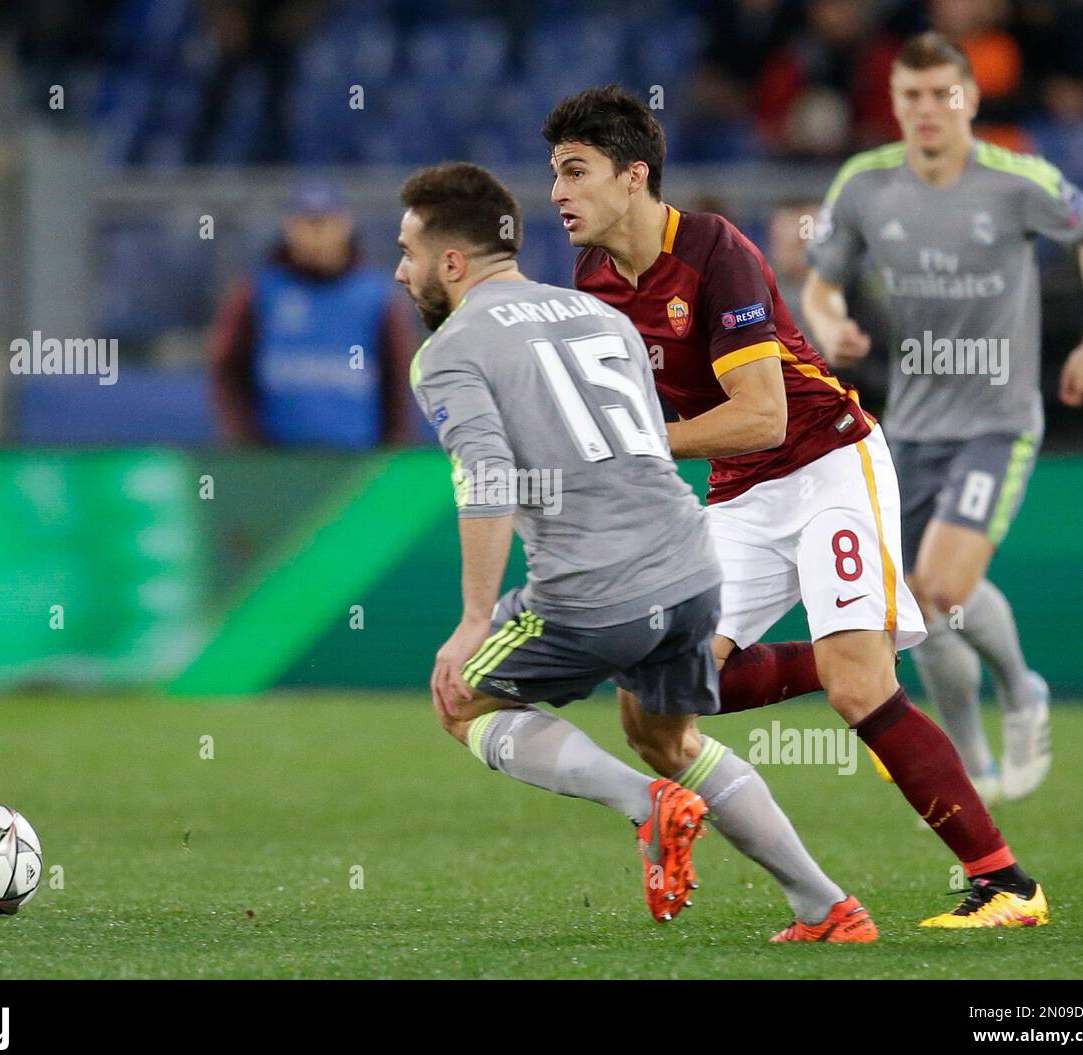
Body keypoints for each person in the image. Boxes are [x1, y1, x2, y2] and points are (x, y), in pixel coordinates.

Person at [544, 83, 1047, 928]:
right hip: (740, 493)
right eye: (555, 173)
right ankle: (833, 671)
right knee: (659, 695)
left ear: (634, 176)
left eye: (574, 171)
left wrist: (632, 445)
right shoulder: (594, 278)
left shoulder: (713, 250)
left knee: (861, 692)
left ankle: (1006, 885)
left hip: (827, 465)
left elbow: (762, 415)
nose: (557, 193)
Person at [400, 161, 873, 940]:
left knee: (462, 699)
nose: (400, 269)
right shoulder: (598, 315)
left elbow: (485, 477)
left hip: (593, 588)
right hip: (690, 567)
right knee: (667, 737)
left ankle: (643, 807)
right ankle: (828, 907)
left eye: (408, 251)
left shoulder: (451, 350)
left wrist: (473, 619)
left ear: (452, 262)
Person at [802, 32, 1083, 804]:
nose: (927, 110)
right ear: (895, 103)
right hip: (908, 428)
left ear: (971, 100)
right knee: (917, 605)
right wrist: (831, 320)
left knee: (941, 586)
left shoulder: (1014, 181)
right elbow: (820, 284)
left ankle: (1022, 689)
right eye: (912, 96)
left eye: (944, 94)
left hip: (997, 420)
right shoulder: (865, 186)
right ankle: (972, 768)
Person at [210, 180, 416, 448]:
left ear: (345, 225)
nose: (317, 235)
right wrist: (245, 442)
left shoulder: (377, 297)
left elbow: (397, 379)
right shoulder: (257, 293)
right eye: (307, 224)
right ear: (289, 227)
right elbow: (229, 372)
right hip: (273, 461)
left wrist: (394, 447)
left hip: (358, 461)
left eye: (326, 223)